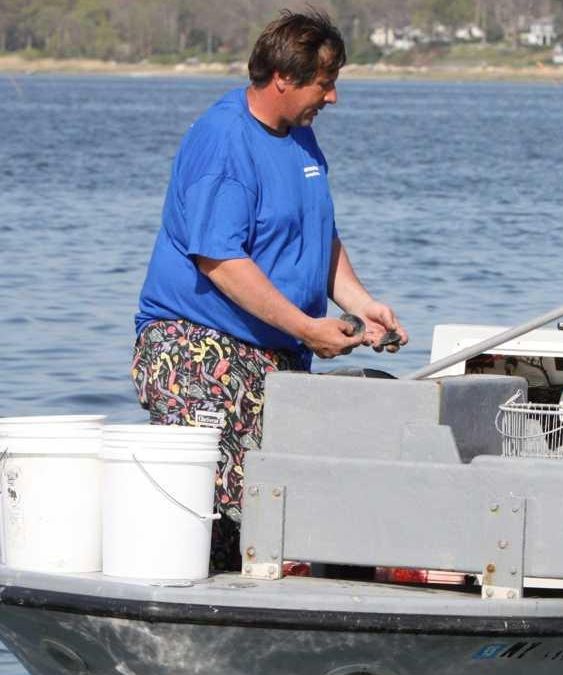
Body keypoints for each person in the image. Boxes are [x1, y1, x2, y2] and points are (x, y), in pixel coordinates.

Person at [130, 9, 406, 571]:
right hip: (196, 348)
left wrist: (360, 305)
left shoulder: (302, 140)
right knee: (239, 511)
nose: (333, 99)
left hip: (275, 353)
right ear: (283, 77)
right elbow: (222, 260)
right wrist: (307, 327)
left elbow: (319, 237)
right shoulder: (225, 140)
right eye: (325, 84)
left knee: (289, 508)